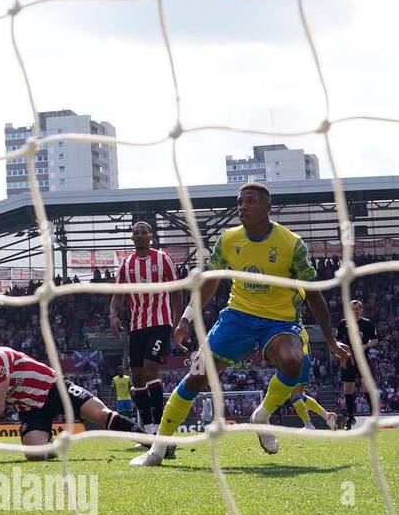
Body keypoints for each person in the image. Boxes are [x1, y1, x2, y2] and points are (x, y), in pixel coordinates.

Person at [132, 182, 351, 466]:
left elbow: (313, 293)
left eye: (250, 201)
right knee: (196, 376)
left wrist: (330, 340)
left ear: (267, 207)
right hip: (236, 318)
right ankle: (157, 450)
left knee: (293, 361)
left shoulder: (291, 243)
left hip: (279, 321)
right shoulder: (228, 239)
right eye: (240, 202)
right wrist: (186, 319)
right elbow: (209, 282)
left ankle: (262, 415)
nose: (242, 207)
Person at [0, 326, 136, 463]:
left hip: (54, 389)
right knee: (35, 455)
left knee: (101, 415)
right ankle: (49, 443)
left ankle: (154, 443)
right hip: (31, 409)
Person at [109, 221, 182, 436]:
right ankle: (148, 431)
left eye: (144, 232)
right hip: (137, 326)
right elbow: (117, 296)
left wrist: (176, 322)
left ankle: (161, 430)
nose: (140, 235)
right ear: (132, 238)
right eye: (136, 233)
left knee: (151, 371)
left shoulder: (163, 259)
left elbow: (177, 292)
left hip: (160, 324)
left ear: (150, 236)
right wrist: (113, 315)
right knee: (138, 377)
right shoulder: (126, 265)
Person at [335, 299, 379, 429]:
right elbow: (336, 341)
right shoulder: (343, 323)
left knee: (366, 386)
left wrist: (366, 345)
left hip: (363, 360)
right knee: (349, 389)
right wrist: (341, 353)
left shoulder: (367, 323)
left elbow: (375, 339)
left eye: (357, 308)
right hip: (348, 360)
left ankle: (373, 416)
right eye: (353, 309)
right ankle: (350, 418)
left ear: (361, 309)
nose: (355, 311)